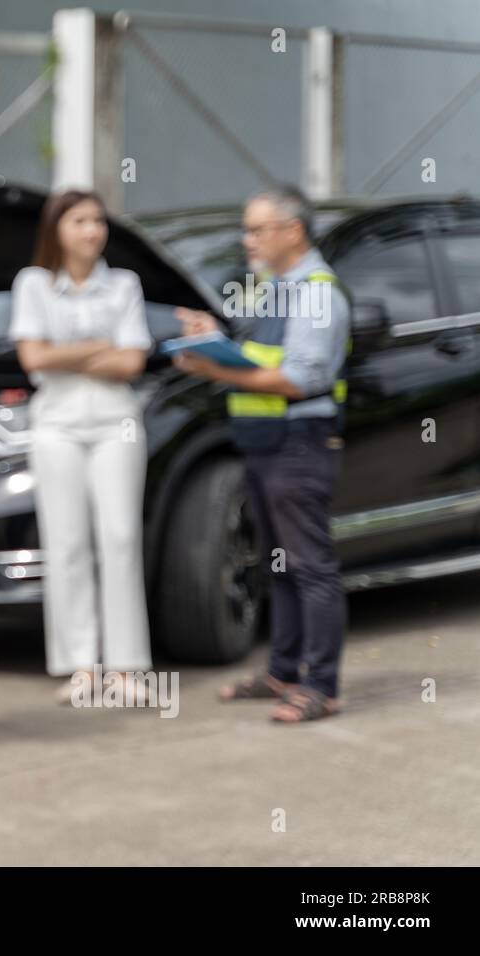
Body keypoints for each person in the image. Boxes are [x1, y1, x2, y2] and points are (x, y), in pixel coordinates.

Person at [173, 185, 350, 723]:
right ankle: (282, 672)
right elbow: (262, 353)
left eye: (256, 229)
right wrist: (218, 335)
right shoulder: (275, 289)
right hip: (265, 443)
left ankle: (321, 685)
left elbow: (298, 378)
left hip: (299, 443)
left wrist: (213, 369)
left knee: (310, 566)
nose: (246, 239)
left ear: (292, 231)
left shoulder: (318, 294)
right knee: (281, 565)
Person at [10, 189, 154, 704]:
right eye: (80, 221)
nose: (92, 230)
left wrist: (62, 354)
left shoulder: (124, 285)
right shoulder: (33, 284)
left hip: (116, 423)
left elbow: (133, 363)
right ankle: (80, 667)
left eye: (98, 220)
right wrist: (99, 347)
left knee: (118, 537)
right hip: (56, 426)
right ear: (58, 230)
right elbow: (32, 359)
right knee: (66, 543)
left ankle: (126, 668)